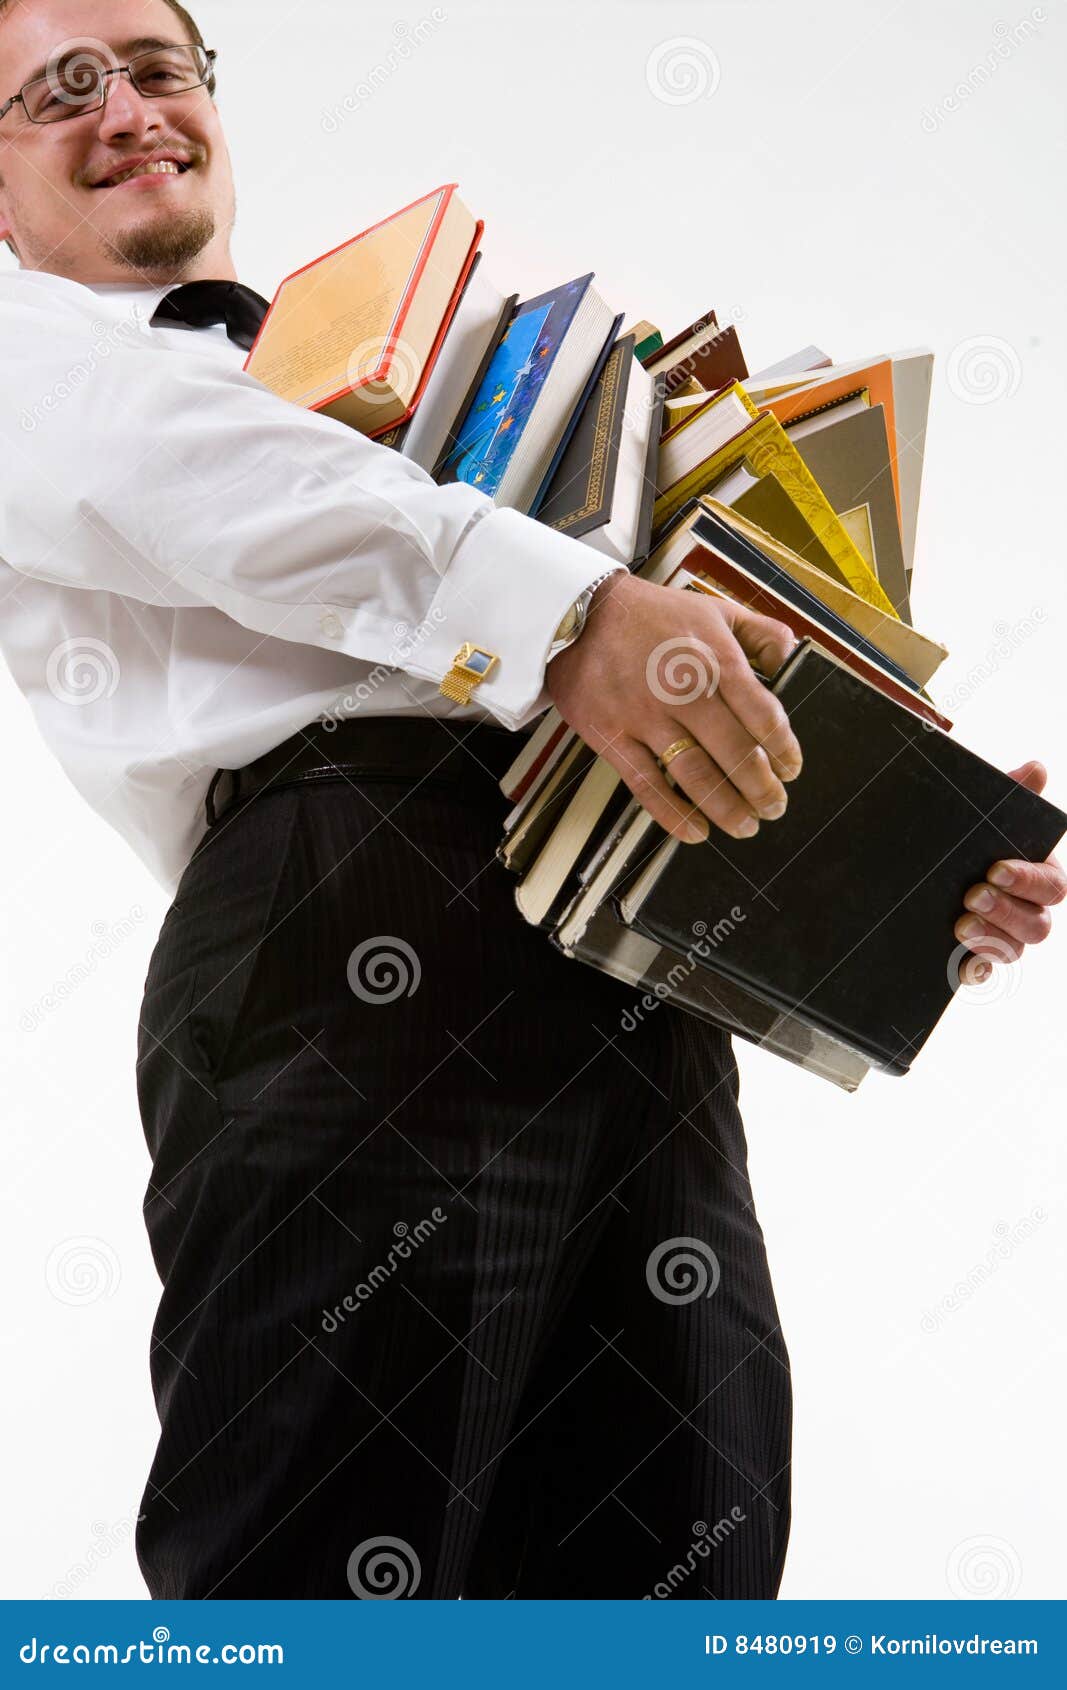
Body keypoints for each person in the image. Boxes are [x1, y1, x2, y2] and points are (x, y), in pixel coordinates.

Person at [1, 0, 1062, 1601]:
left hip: (630, 960)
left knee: (677, 1559)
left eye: (157, 70)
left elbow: (649, 666)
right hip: (345, 916)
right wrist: (568, 618)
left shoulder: (400, 388)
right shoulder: (51, 359)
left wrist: (881, 860)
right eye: (57, 89)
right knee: (319, 1575)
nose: (128, 109)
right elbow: (188, 475)